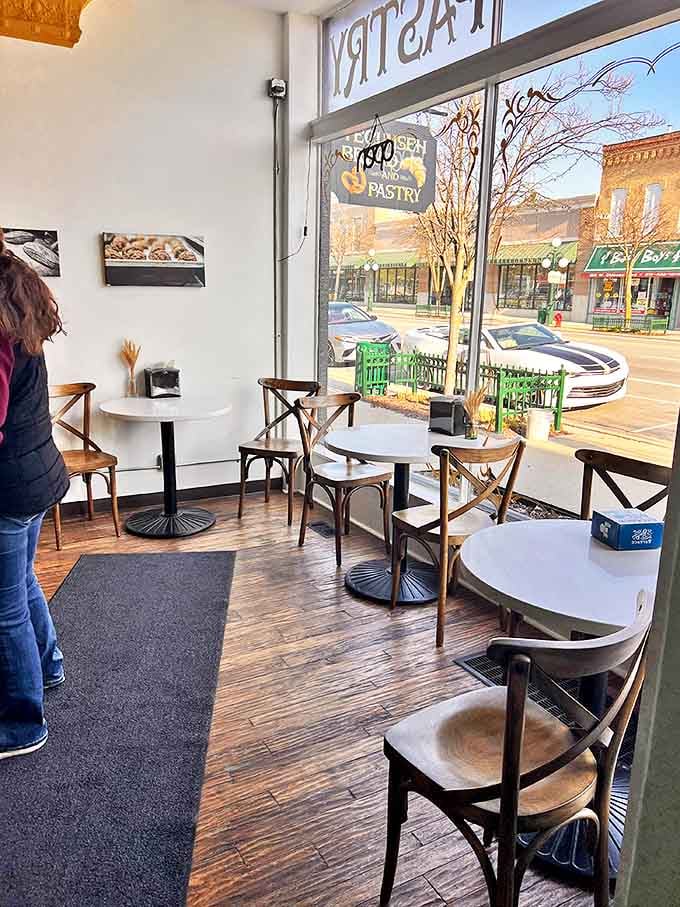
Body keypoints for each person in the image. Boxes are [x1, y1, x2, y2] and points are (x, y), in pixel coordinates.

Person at [0, 230, 69, 760]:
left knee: (4, 611)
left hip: (11, 487)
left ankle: (23, 724)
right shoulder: (20, 322)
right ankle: (48, 665)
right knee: (22, 581)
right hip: (39, 475)